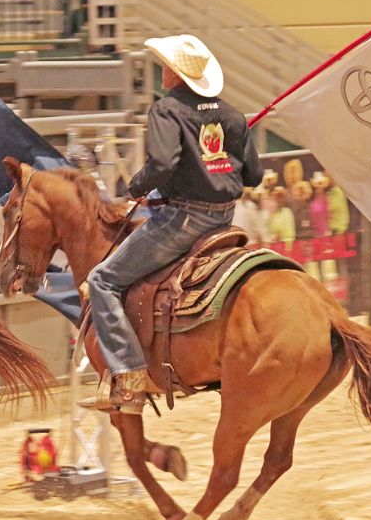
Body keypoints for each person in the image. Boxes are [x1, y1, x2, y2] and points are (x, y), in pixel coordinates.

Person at [86, 35, 263, 414]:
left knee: (102, 280)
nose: (161, 69)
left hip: (183, 218)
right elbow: (254, 176)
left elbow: (163, 164)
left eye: (165, 64)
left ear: (175, 73)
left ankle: (130, 377)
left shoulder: (166, 110)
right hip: (225, 217)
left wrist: (136, 187)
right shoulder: (232, 116)